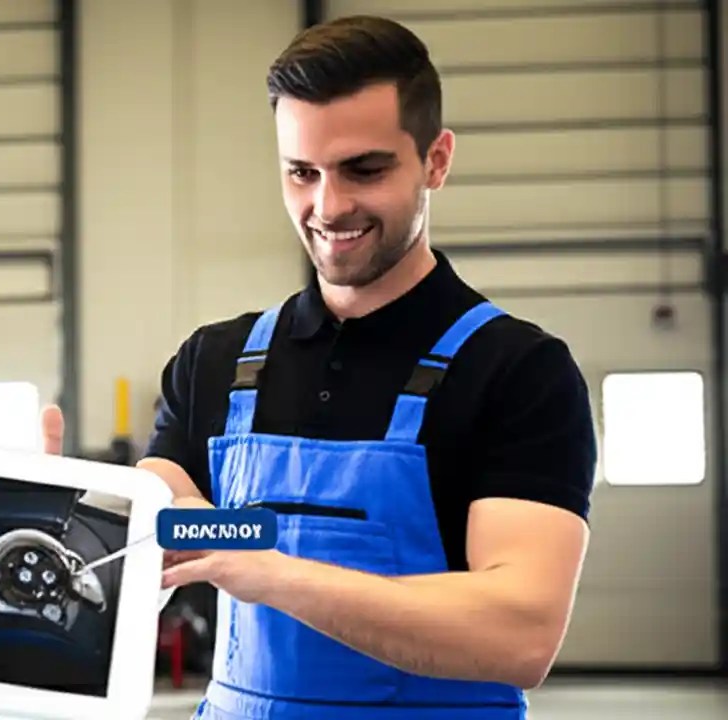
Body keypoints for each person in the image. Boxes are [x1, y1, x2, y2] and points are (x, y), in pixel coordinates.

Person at [142, 15, 597, 720]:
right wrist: (54, 505)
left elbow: (520, 632)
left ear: (437, 160)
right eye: (302, 172)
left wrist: (274, 574)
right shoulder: (214, 362)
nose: (328, 206)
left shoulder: (518, 372)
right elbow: (154, 537)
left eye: (365, 169)